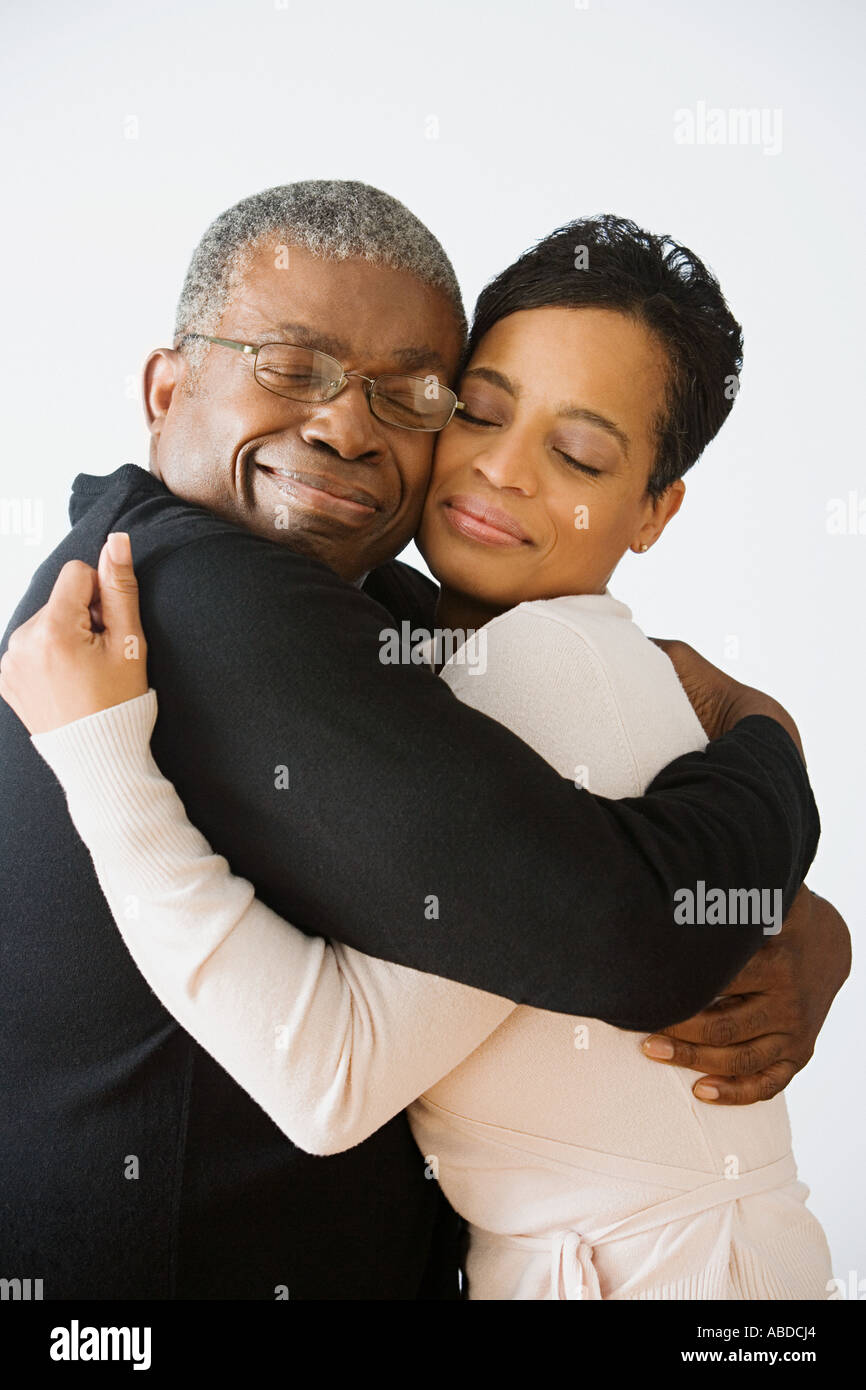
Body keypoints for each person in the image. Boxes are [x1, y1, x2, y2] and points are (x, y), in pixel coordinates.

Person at [0, 186, 848, 1300]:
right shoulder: (219, 596)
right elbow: (633, 933)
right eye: (290, 366)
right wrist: (764, 746)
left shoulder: (404, 624)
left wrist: (802, 919)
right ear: (166, 389)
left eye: (409, 395)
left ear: (651, 510)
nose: (345, 425)